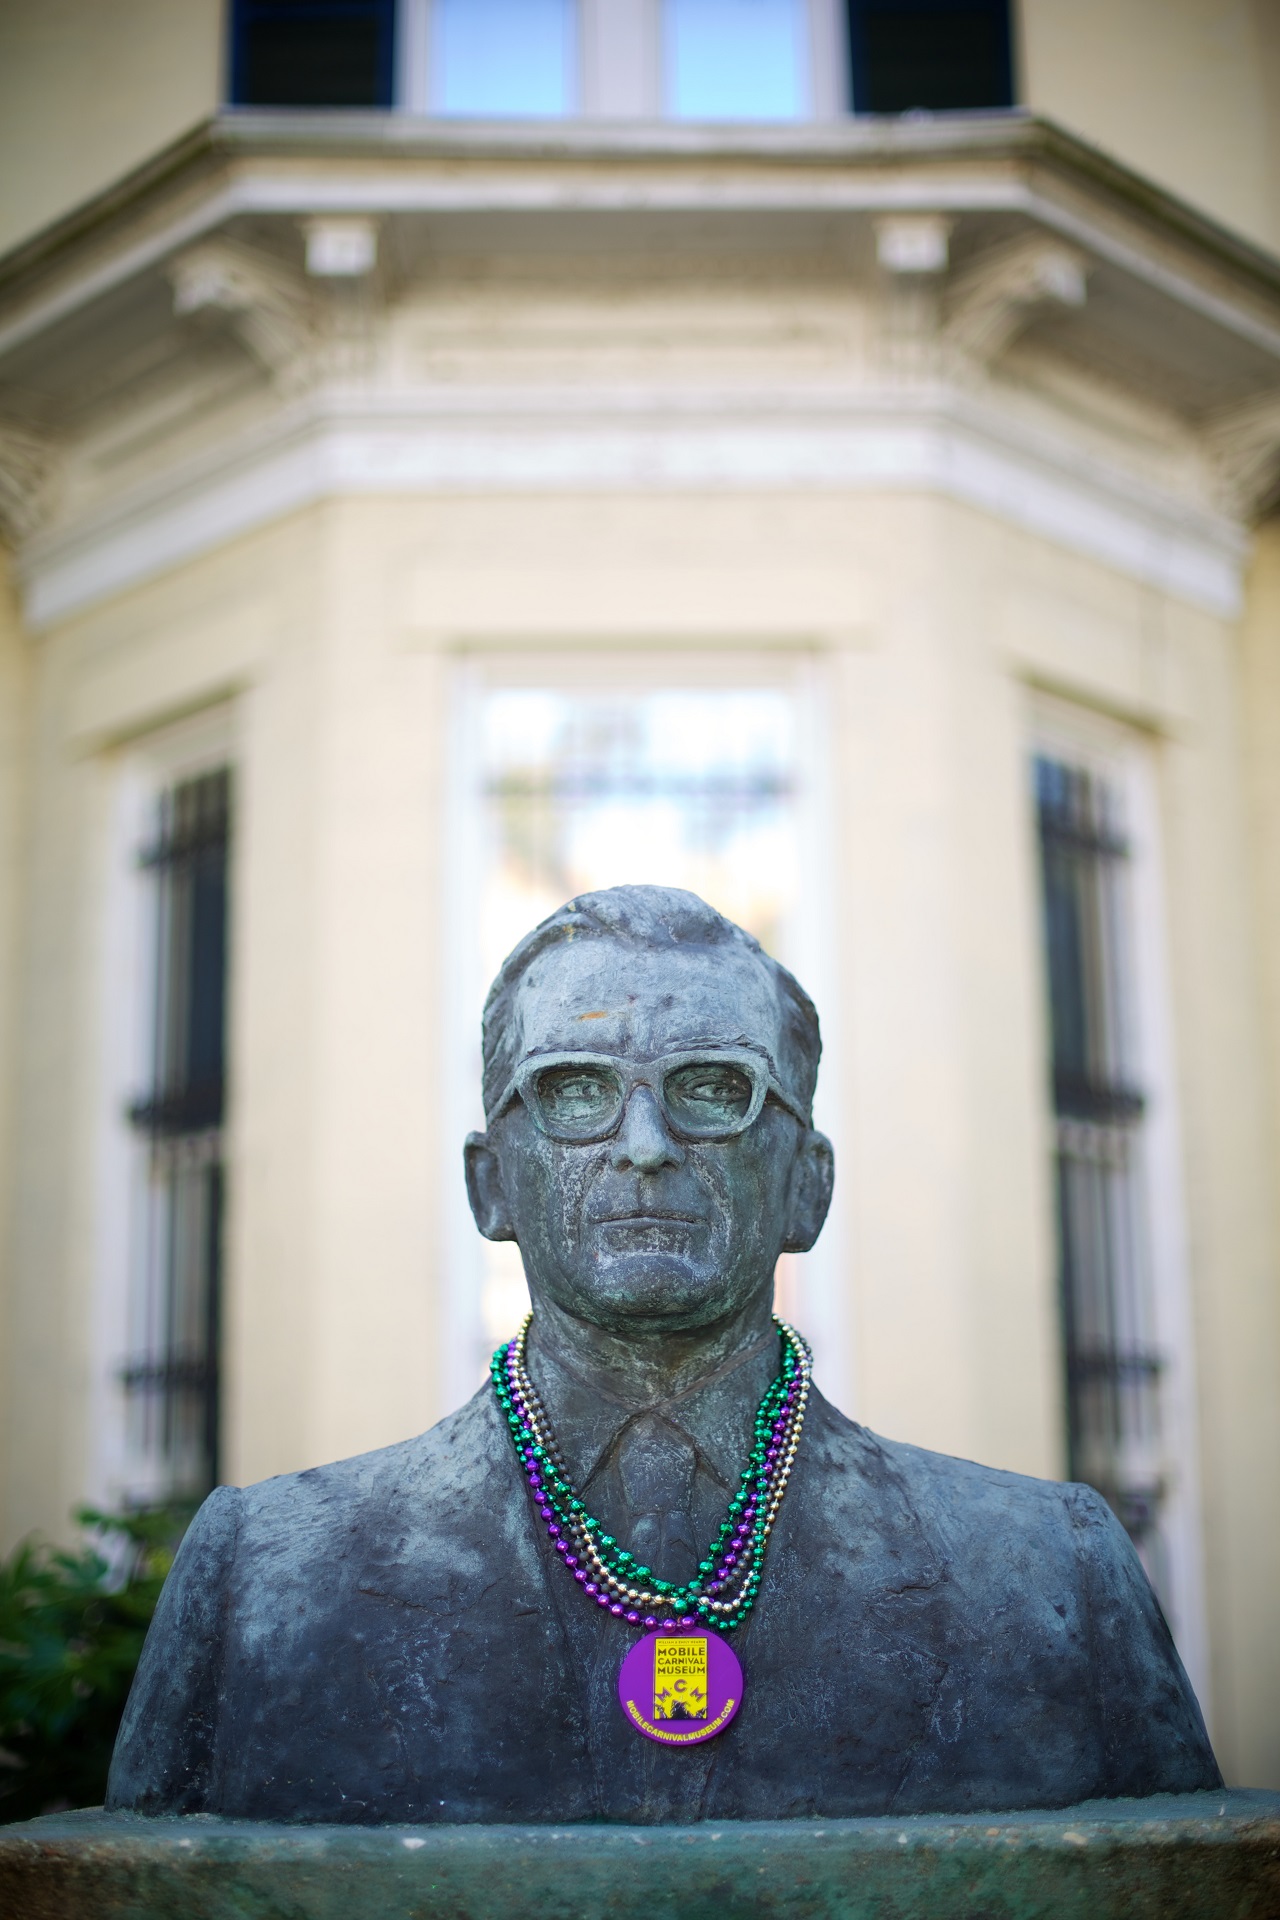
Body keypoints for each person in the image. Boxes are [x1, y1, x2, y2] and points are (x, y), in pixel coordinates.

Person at [107, 885, 1219, 1822]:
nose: (644, 1148)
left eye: (711, 1089)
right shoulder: (259, 1585)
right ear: (489, 1183)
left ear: (808, 1184)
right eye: (575, 1092)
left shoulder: (1049, 1580)